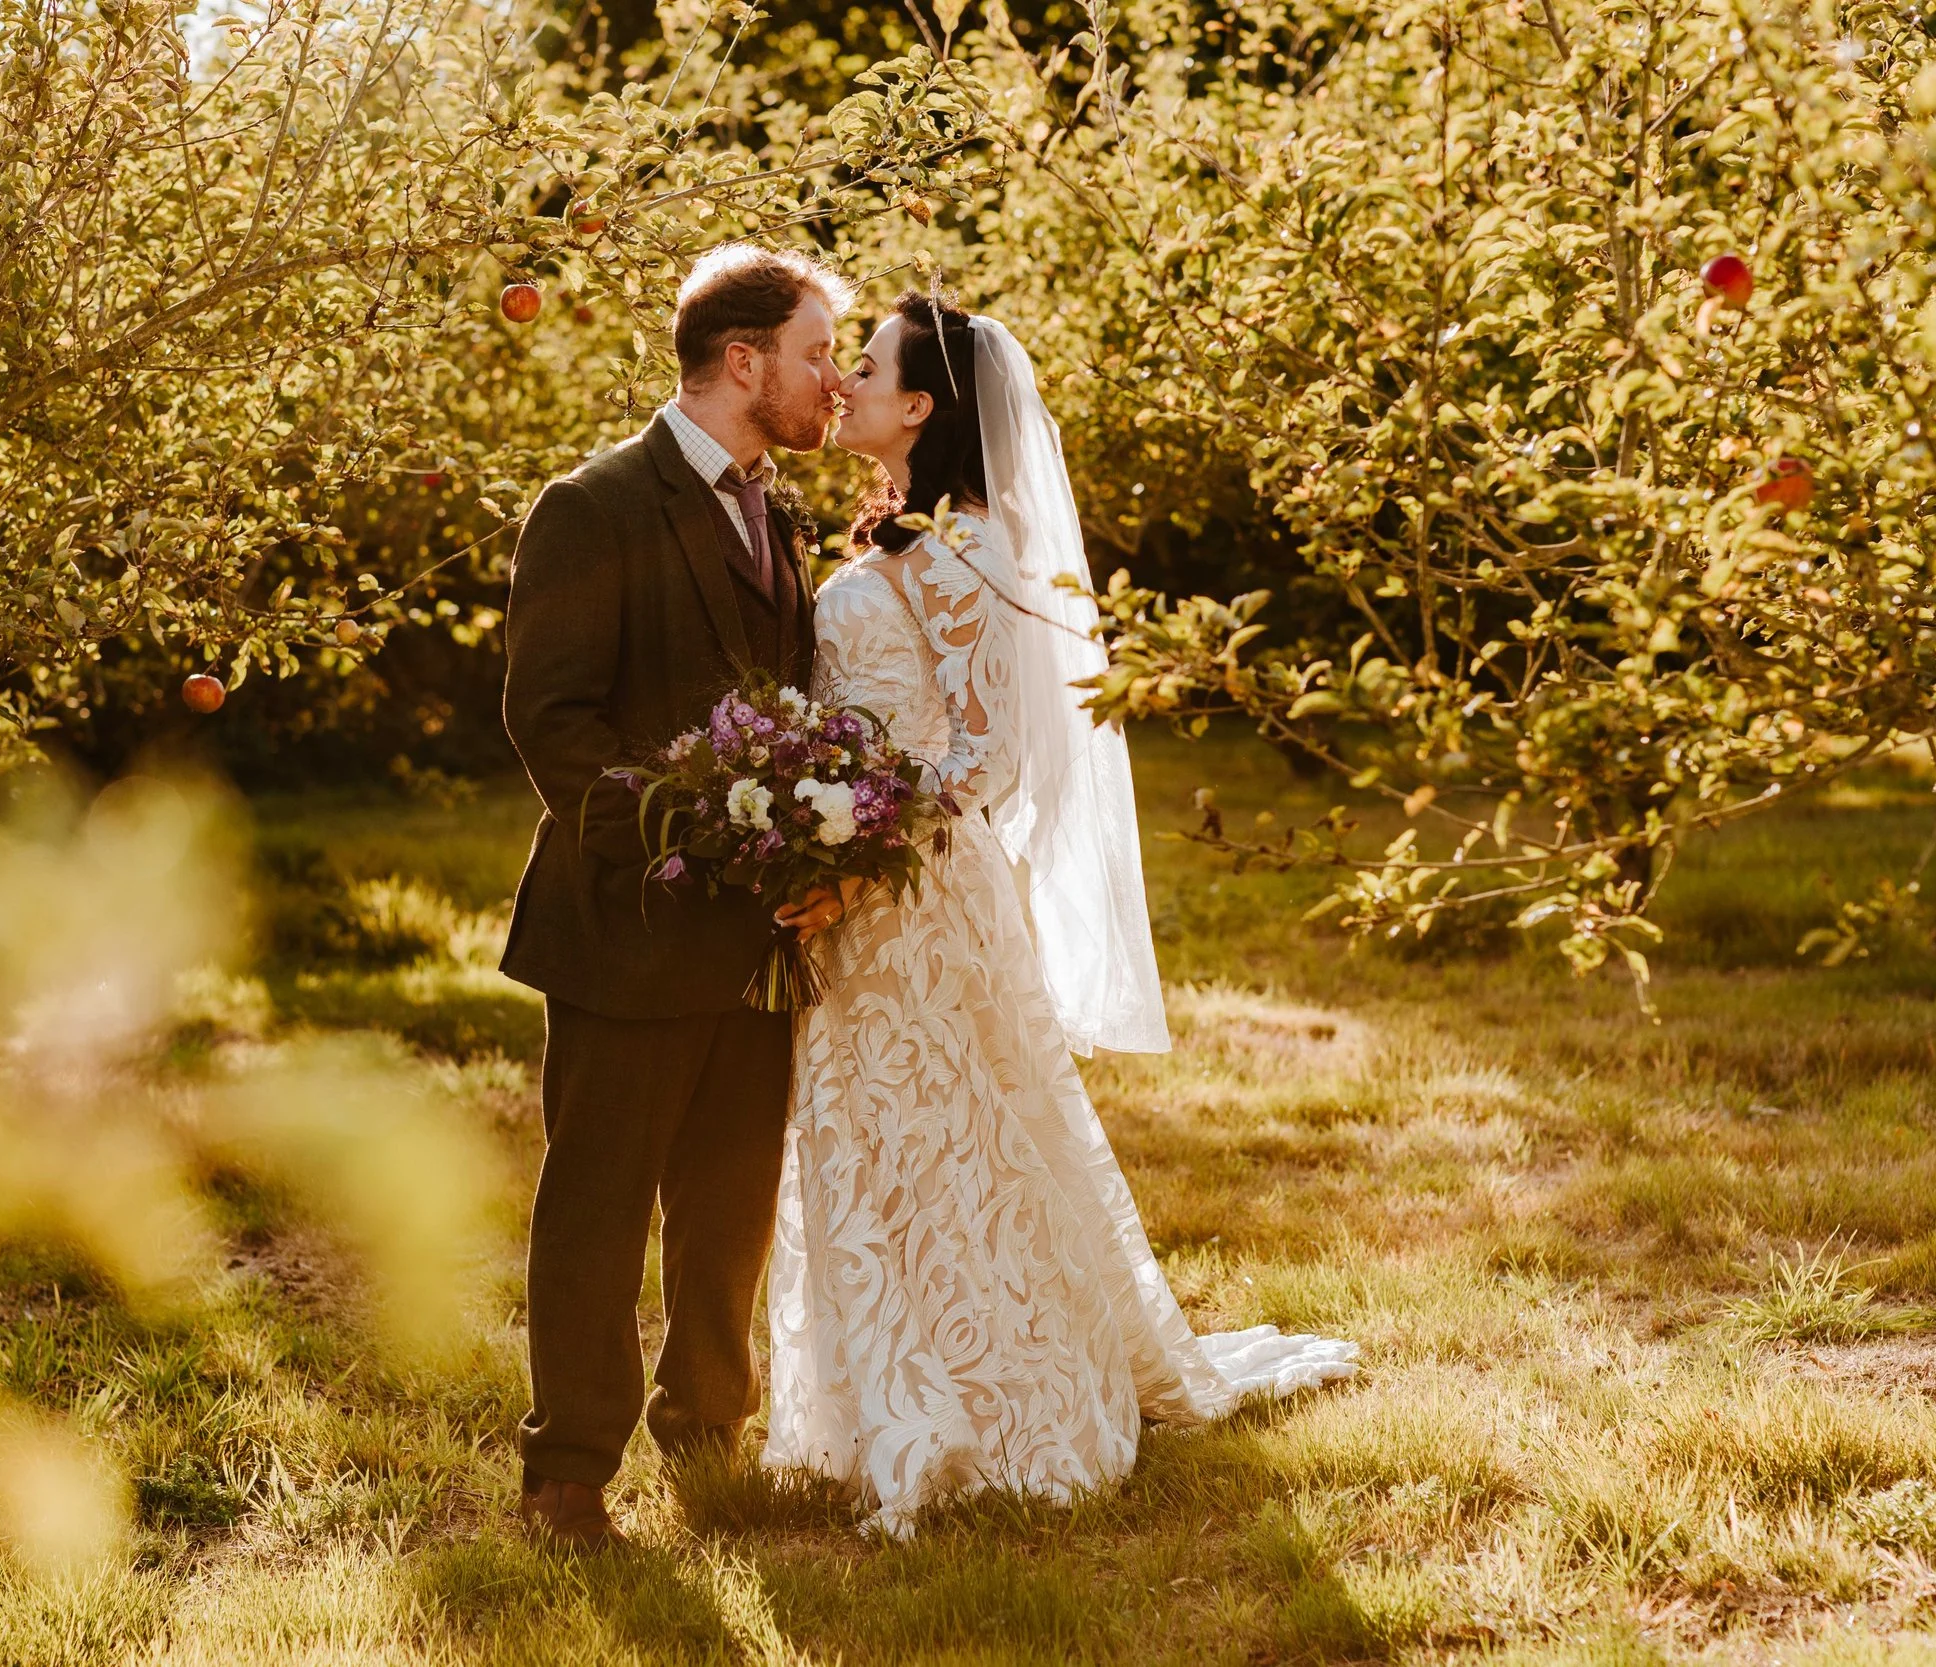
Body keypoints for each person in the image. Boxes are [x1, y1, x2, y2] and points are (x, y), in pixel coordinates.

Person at [762, 293, 1358, 1535]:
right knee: (872, 1140)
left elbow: (990, 751)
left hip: (914, 892)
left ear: (919, 406)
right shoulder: (898, 529)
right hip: (860, 887)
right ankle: (873, 1393)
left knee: (955, 1142)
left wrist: (858, 846)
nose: (842, 382)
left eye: (862, 366)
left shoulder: (969, 542)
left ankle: (995, 1392)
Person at [496, 245, 854, 1552]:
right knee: (598, 1207)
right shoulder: (591, 505)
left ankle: (710, 1434)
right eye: (820, 354)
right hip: (627, 929)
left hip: (761, 934)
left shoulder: (781, 510)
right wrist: (680, 842)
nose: (835, 380)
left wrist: (804, 850)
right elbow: (552, 717)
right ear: (745, 362)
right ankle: (567, 1477)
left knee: (731, 1203)